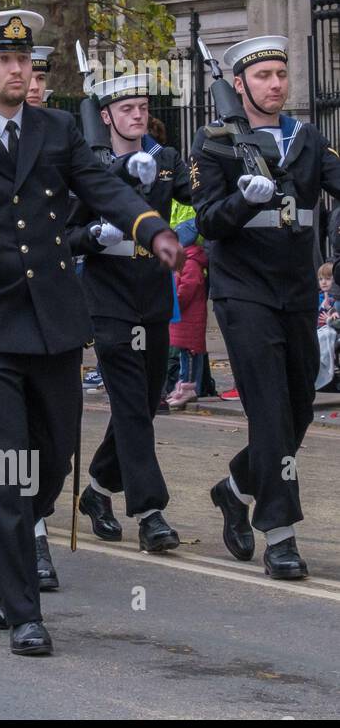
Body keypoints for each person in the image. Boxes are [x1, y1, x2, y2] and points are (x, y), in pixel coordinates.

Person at [0, 9, 184, 656]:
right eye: (3, 59)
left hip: (53, 321)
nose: (17, 69)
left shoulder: (57, 129)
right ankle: (25, 611)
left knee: (51, 465)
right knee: (3, 469)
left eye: (24, 60)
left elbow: (101, 190)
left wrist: (151, 229)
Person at [192, 35, 340, 580]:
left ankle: (235, 487)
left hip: (297, 290)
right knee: (272, 413)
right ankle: (280, 533)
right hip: (242, 292)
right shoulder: (215, 142)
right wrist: (241, 200)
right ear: (239, 84)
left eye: (281, 74)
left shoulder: (308, 139)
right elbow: (206, 221)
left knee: (301, 406)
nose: (275, 84)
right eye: (263, 76)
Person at [67, 71, 191, 553]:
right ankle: (150, 510)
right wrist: (94, 237)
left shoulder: (167, 160)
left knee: (143, 404)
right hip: (109, 296)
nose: (137, 115)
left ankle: (98, 490)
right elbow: (66, 232)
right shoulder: (91, 166)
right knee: (129, 404)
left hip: (153, 292)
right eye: (126, 109)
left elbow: (193, 206)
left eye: (142, 107)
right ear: (106, 117)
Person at [166, 218, 208, 410]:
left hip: (188, 319)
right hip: (184, 321)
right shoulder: (185, 261)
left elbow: (186, 290)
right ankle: (182, 386)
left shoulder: (190, 264)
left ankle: (189, 387)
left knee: (189, 355)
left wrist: (173, 302)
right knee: (184, 355)